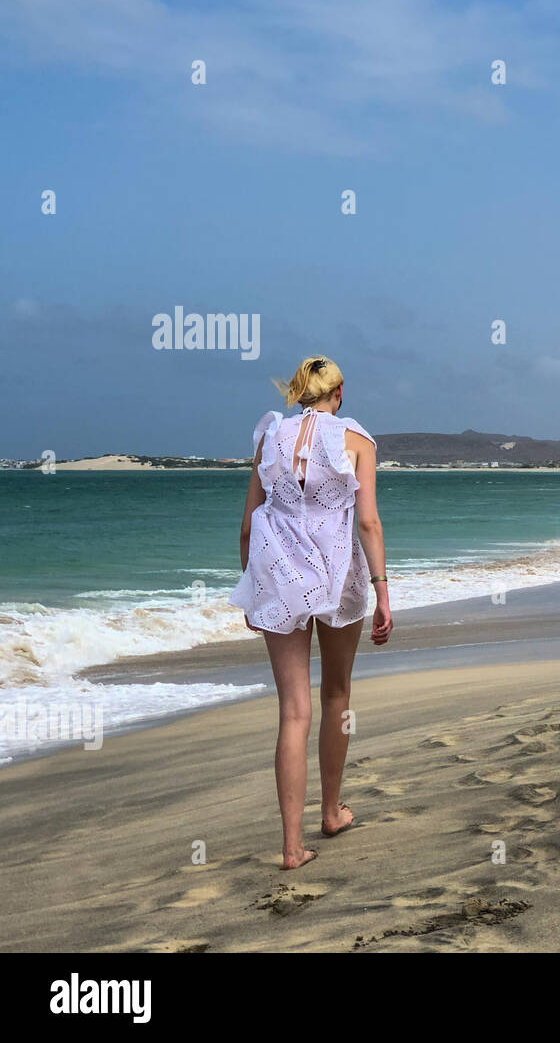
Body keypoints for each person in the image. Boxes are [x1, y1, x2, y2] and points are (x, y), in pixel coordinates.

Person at [231, 356, 394, 870]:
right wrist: (382, 589)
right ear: (338, 392)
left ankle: (290, 847)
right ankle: (330, 812)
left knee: (293, 711)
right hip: (337, 575)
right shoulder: (357, 442)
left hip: (280, 575)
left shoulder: (270, 438)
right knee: (337, 694)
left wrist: (252, 585)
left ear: (299, 391)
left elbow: (248, 524)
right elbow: (366, 522)